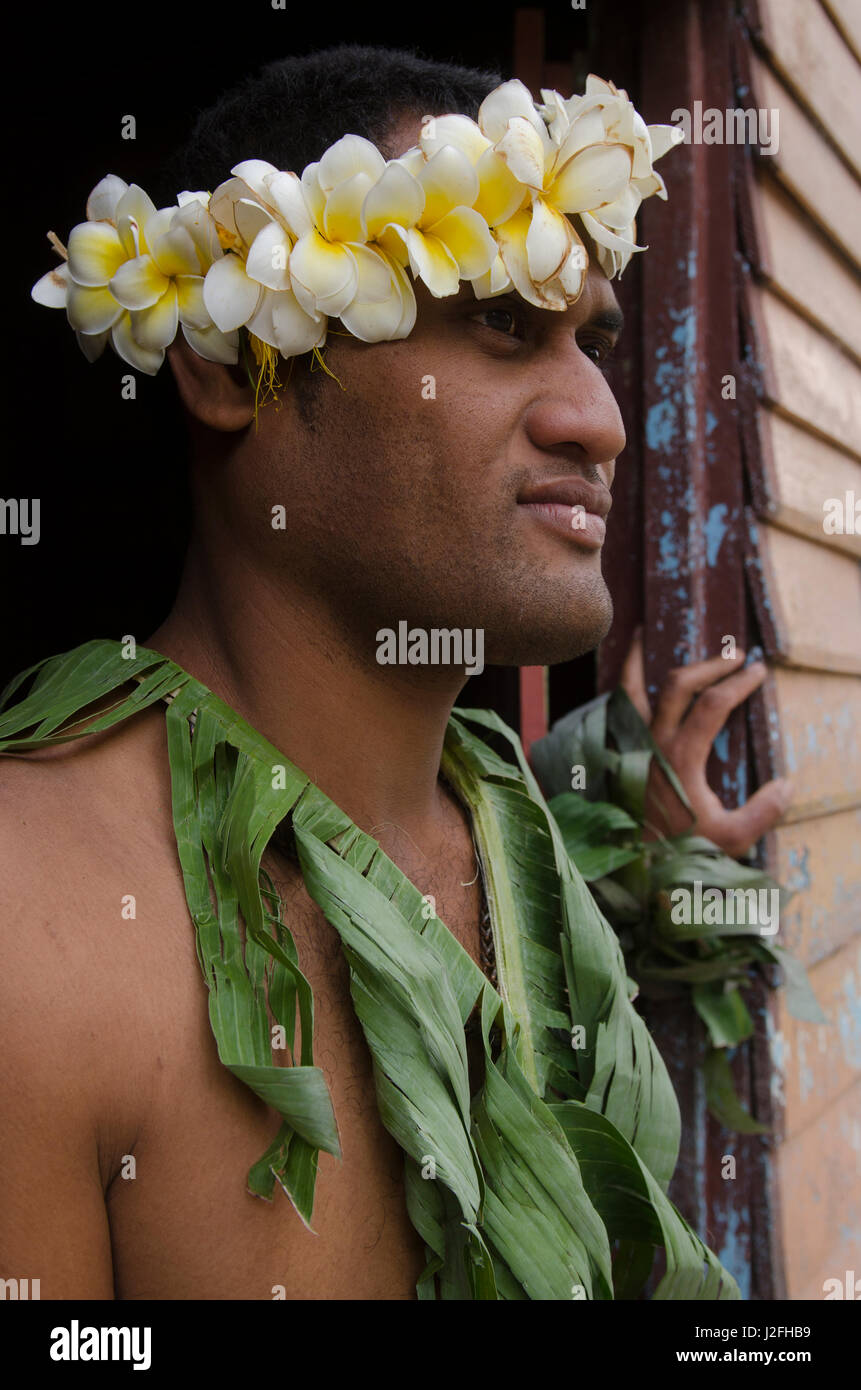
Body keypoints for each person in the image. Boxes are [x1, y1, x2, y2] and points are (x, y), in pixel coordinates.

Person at [0, 44, 791, 1301]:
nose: (598, 415)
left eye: (589, 336)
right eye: (496, 320)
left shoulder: (519, 833)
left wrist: (661, 863)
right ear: (224, 364)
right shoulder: (31, 942)